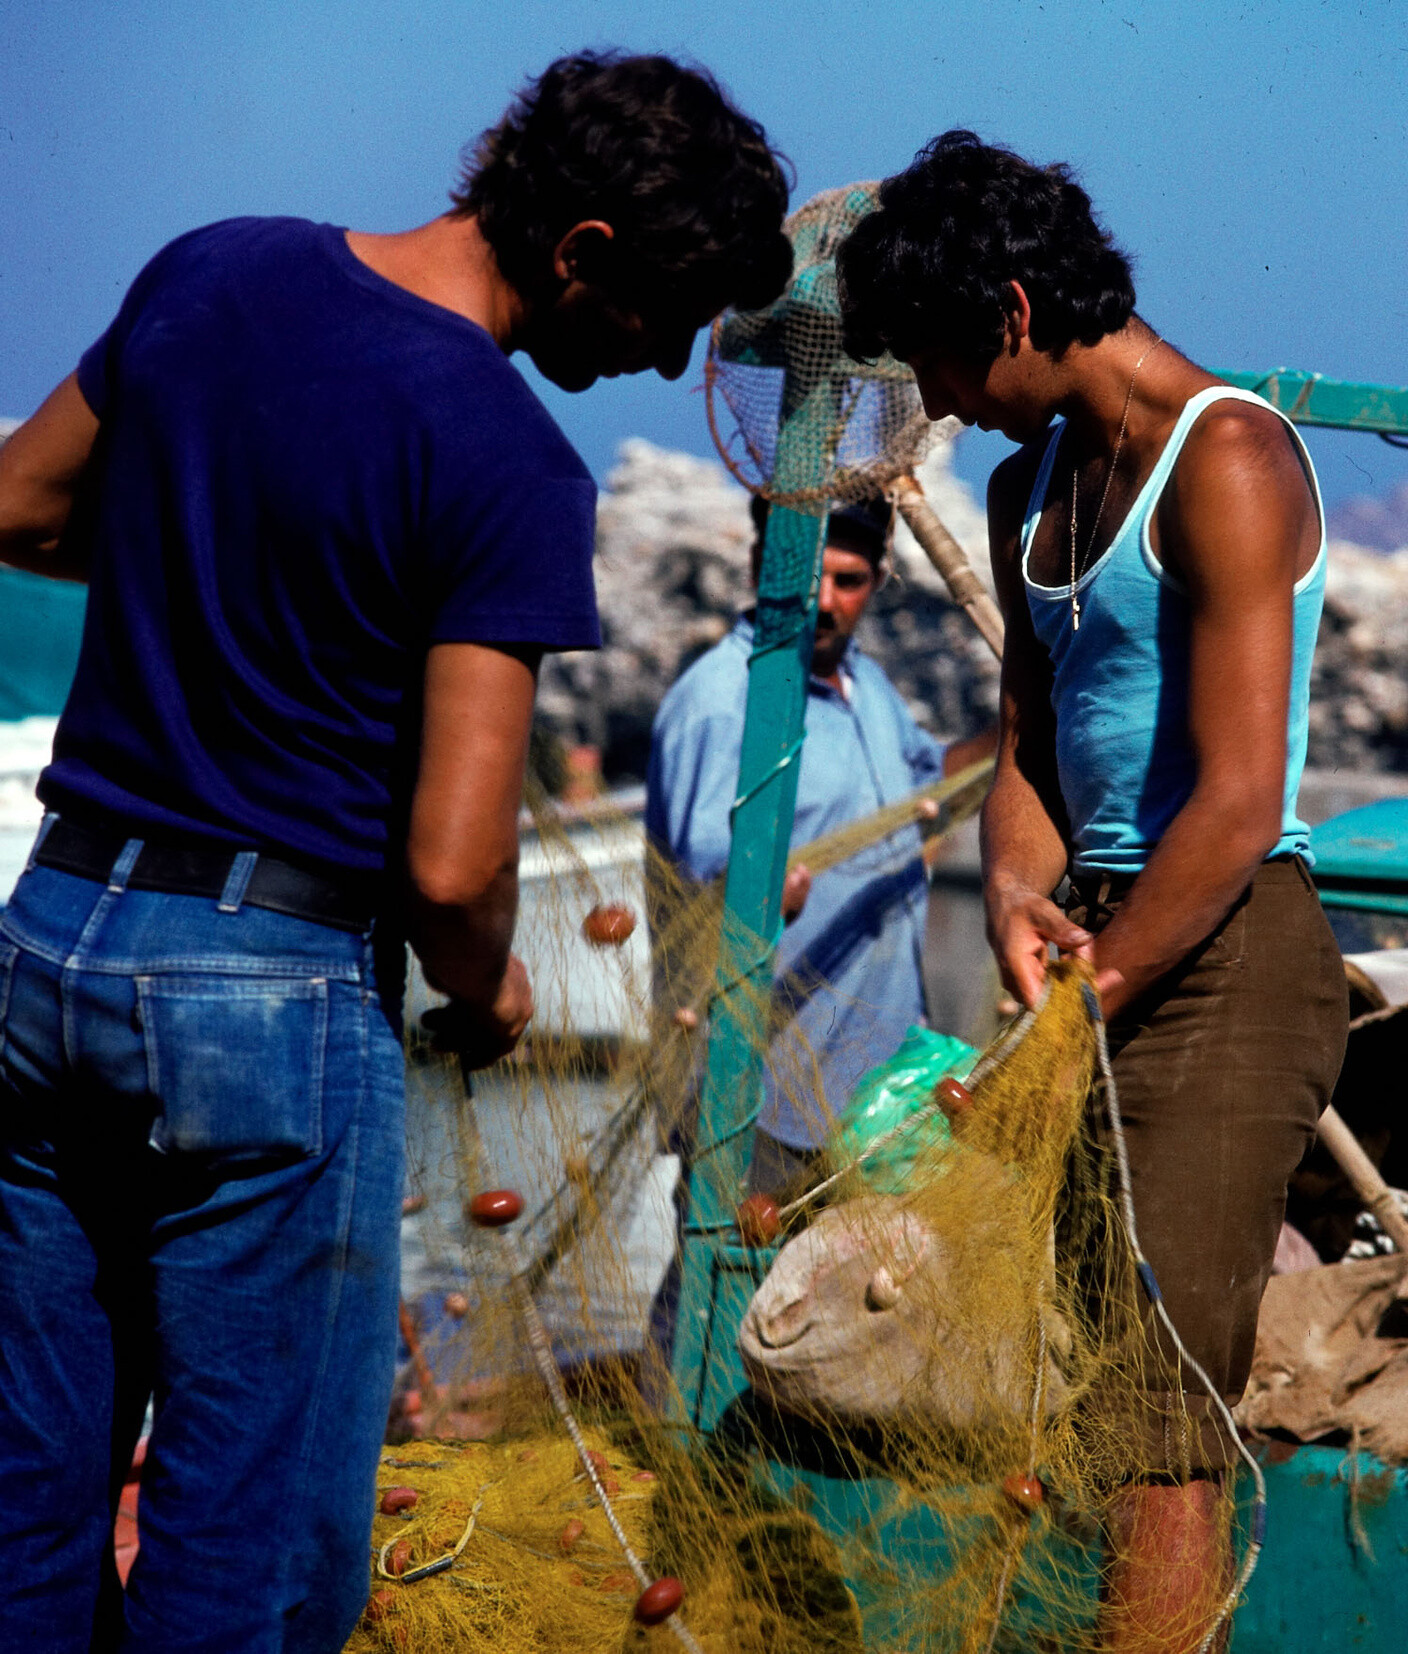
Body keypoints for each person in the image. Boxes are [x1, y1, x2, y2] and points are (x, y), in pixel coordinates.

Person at [0, 53, 789, 1654]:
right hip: (267, 1004)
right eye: (656, 314)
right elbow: (446, 867)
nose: (648, 365)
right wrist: (494, 992)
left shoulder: (213, 264)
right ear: (581, 252)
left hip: (50, 942)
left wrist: (194, 569)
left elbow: (15, 504)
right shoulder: (501, 456)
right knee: (252, 1540)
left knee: (30, 1495)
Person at [838, 132, 1347, 1648]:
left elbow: (1241, 798)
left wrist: (1093, 993)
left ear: (1009, 304)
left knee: (1158, 1419)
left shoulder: (1230, 457)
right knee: (1063, 1384)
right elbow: (1033, 755)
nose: (926, 402)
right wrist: (1009, 901)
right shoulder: (1025, 485)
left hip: (1230, 954)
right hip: (1102, 955)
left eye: (933, 356)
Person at [646, 493, 995, 1195]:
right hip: (756, 1088)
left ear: (880, 579)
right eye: (810, 580)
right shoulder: (722, 700)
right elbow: (704, 872)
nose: (828, 603)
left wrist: (1024, 721)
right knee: (725, 1285)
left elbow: (936, 787)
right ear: (758, 565)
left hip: (876, 1077)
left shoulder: (864, 685)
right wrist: (763, 889)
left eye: (849, 581)